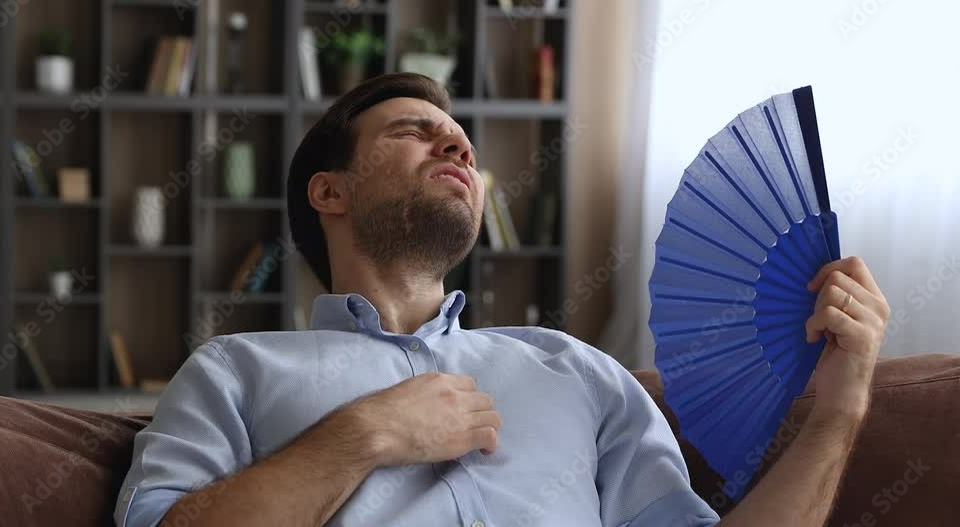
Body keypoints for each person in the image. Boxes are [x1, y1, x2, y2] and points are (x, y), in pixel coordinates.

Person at [114, 73, 890, 527]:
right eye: (416, 134)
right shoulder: (233, 369)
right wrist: (365, 433)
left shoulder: (575, 367)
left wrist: (840, 411)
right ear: (330, 191)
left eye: (462, 142)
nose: (458, 147)